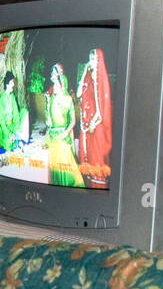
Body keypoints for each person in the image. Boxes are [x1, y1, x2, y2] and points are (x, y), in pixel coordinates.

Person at [75, 49, 114, 188]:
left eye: (92, 59)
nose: (90, 62)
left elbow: (101, 109)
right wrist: (85, 70)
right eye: (89, 59)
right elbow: (79, 94)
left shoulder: (100, 79)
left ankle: (98, 189)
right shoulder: (88, 77)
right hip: (86, 125)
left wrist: (93, 123)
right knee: (86, 157)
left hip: (96, 125)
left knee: (95, 159)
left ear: (98, 61)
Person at [44, 67, 83, 187]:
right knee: (54, 164)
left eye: (56, 85)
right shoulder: (51, 100)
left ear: (62, 85)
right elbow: (49, 121)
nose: (53, 88)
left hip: (63, 135)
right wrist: (47, 107)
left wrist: (66, 132)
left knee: (65, 162)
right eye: (54, 85)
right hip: (52, 136)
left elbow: (73, 121)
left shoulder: (68, 100)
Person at [0, 72, 26, 152]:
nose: (13, 84)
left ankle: (17, 140)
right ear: (7, 84)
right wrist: (9, 133)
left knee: (24, 112)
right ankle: (12, 141)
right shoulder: (2, 99)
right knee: (9, 145)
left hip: (12, 125)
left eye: (13, 82)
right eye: (11, 82)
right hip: (5, 130)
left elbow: (16, 114)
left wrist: (16, 128)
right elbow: (2, 120)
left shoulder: (12, 96)